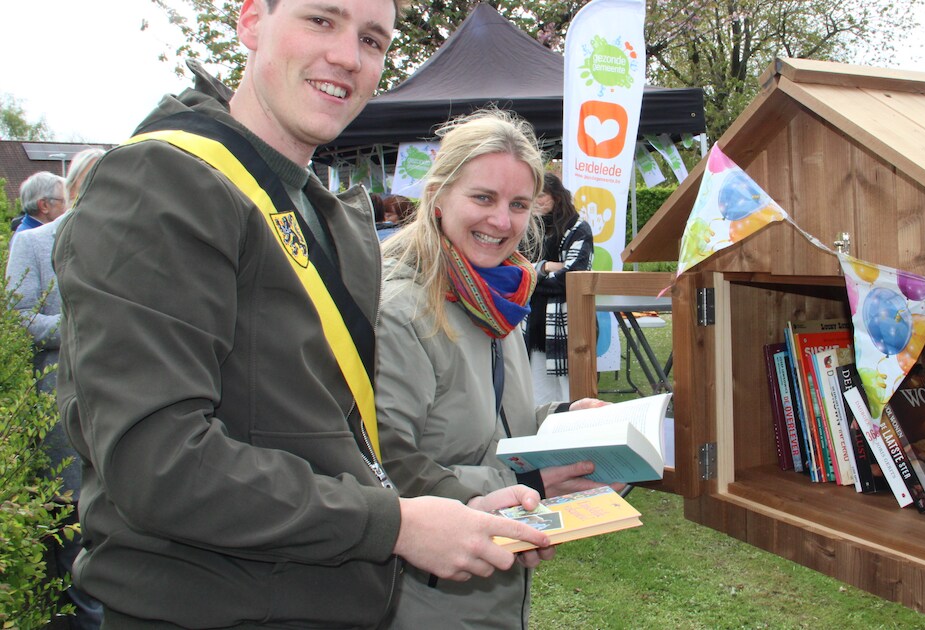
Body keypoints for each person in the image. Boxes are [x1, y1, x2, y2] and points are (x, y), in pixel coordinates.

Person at [53, 1, 552, 627]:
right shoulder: (164, 180)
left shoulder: (317, 209)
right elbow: (160, 461)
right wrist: (395, 523)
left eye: (372, 39)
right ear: (250, 21)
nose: (348, 56)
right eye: (322, 19)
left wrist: (462, 502)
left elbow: (340, 439)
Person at [374, 109, 612, 629]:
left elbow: (493, 417)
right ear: (437, 196)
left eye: (518, 205)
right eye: (483, 198)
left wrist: (565, 417)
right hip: (424, 595)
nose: (502, 222)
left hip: (492, 574)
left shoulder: (494, 294)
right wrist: (529, 482)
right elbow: (386, 466)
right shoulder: (403, 309)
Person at [4, 148, 106, 630]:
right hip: (62, 412)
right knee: (74, 536)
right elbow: (19, 320)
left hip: (122, 409)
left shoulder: (128, 242)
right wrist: (86, 326)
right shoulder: (33, 245)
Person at [525, 172, 594, 405]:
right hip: (533, 322)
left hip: (568, 322)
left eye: (541, 195)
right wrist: (547, 267)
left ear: (556, 196)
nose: (535, 201)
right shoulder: (527, 228)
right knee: (537, 391)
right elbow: (514, 269)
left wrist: (533, 278)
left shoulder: (578, 229)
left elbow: (573, 277)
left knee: (570, 391)